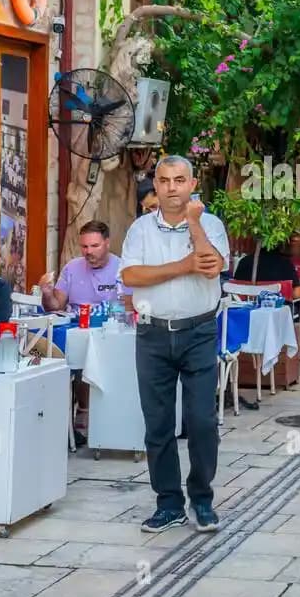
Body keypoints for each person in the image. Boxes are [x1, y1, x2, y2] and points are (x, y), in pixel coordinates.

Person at [119, 156, 230, 534]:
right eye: (164, 180)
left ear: (192, 184)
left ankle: (202, 498)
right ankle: (168, 503)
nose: (171, 188)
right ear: (155, 184)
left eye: (179, 180)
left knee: (202, 421)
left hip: (199, 332)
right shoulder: (140, 229)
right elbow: (131, 275)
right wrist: (183, 266)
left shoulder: (210, 224)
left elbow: (211, 266)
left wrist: (195, 223)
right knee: (158, 423)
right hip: (152, 335)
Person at [39, 221, 126, 312]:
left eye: (95, 246)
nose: (89, 251)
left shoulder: (123, 269)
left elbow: (131, 309)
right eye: (84, 246)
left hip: (111, 319)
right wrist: (47, 294)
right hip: (76, 319)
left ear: (107, 243)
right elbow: (55, 308)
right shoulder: (71, 268)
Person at [233, 245, 300, 300]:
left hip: (246, 307)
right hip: (279, 309)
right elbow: (297, 293)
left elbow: (235, 289)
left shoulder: (243, 261)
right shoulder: (285, 263)